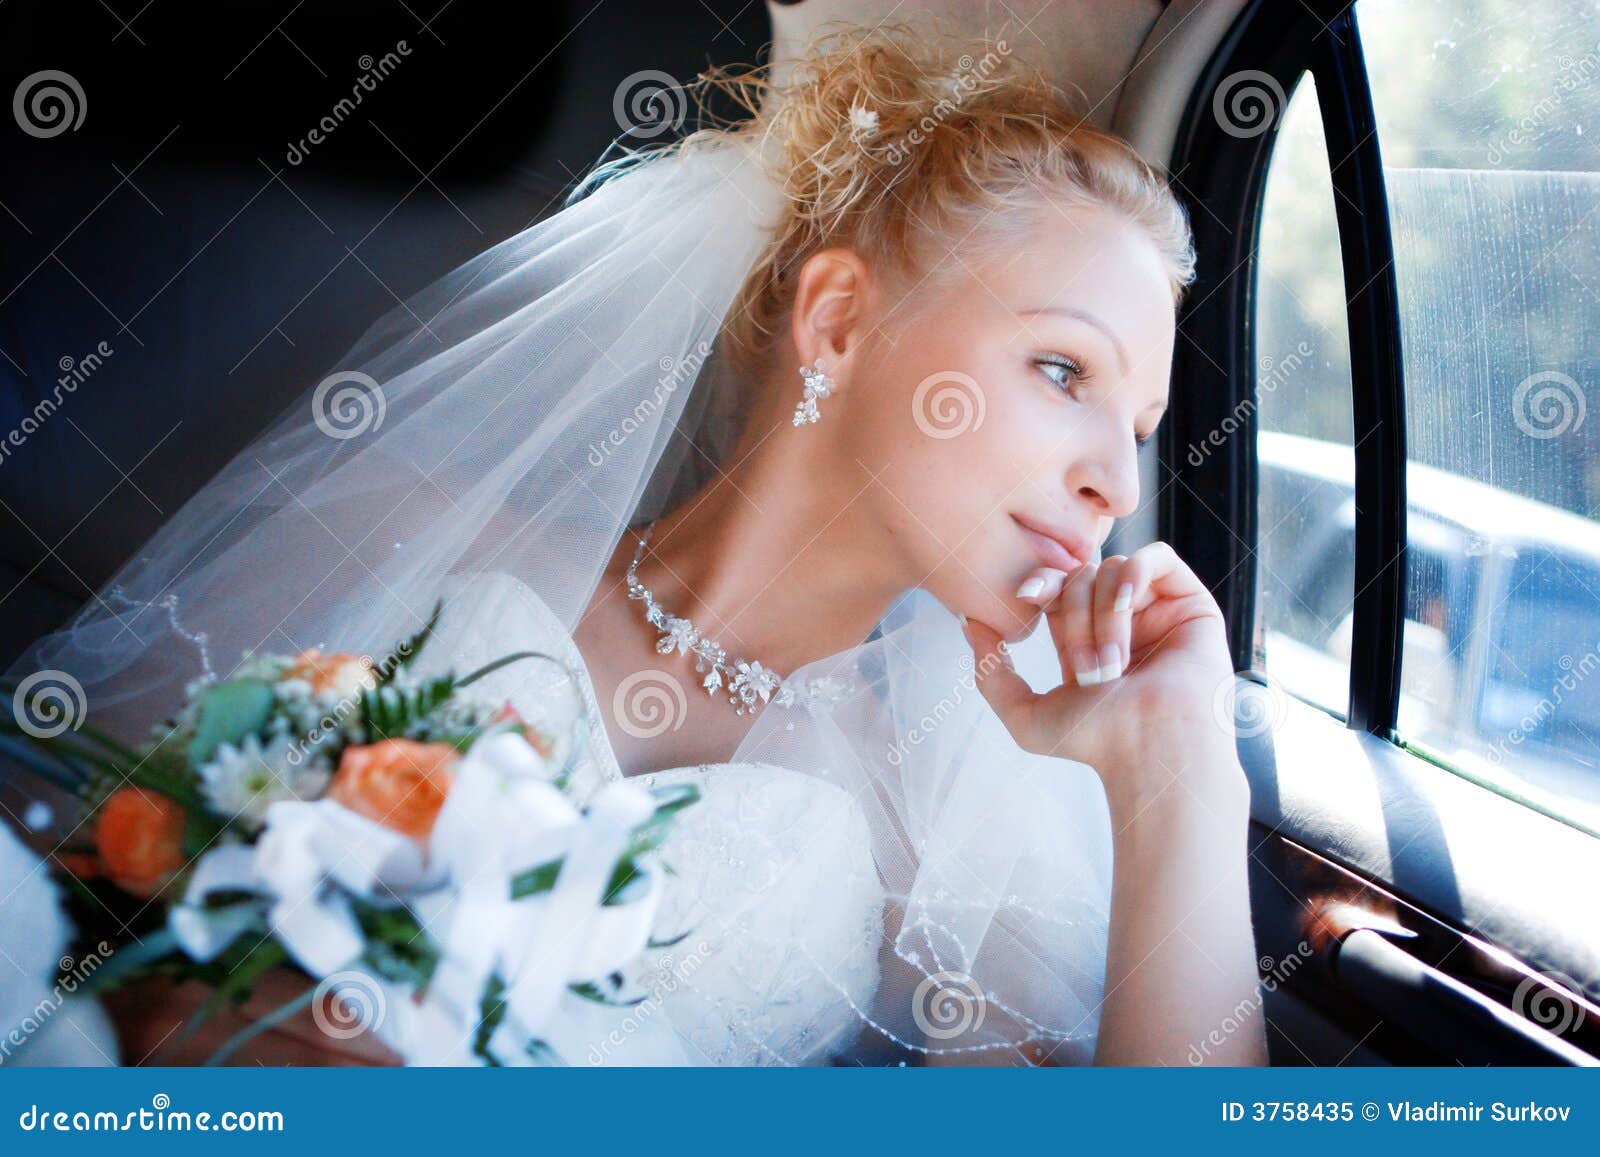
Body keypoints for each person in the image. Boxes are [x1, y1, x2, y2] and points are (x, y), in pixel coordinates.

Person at [3, 22, 1266, 1066]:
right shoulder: (396, 534)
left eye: (1144, 426)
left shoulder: (936, 833)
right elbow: (43, 891)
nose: (1113, 478)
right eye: (1062, 369)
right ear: (834, 322)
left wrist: (1181, 773)